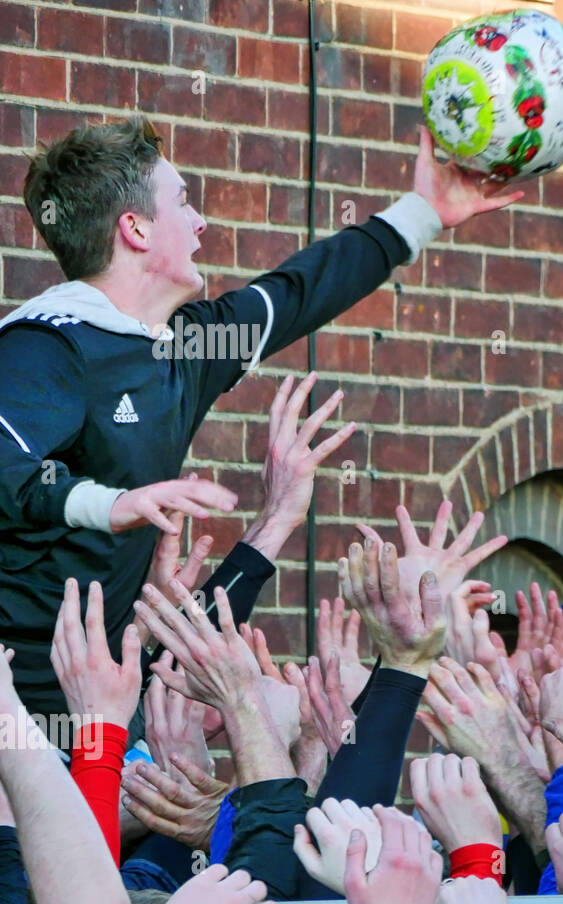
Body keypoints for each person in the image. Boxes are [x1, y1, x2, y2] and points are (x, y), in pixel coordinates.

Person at [0, 114, 521, 721]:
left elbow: (300, 291)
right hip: (20, 720)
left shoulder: (184, 346)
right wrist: (106, 505)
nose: (200, 223)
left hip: (104, 711)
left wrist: (424, 210)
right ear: (135, 228)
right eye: (184, 203)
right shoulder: (45, 345)